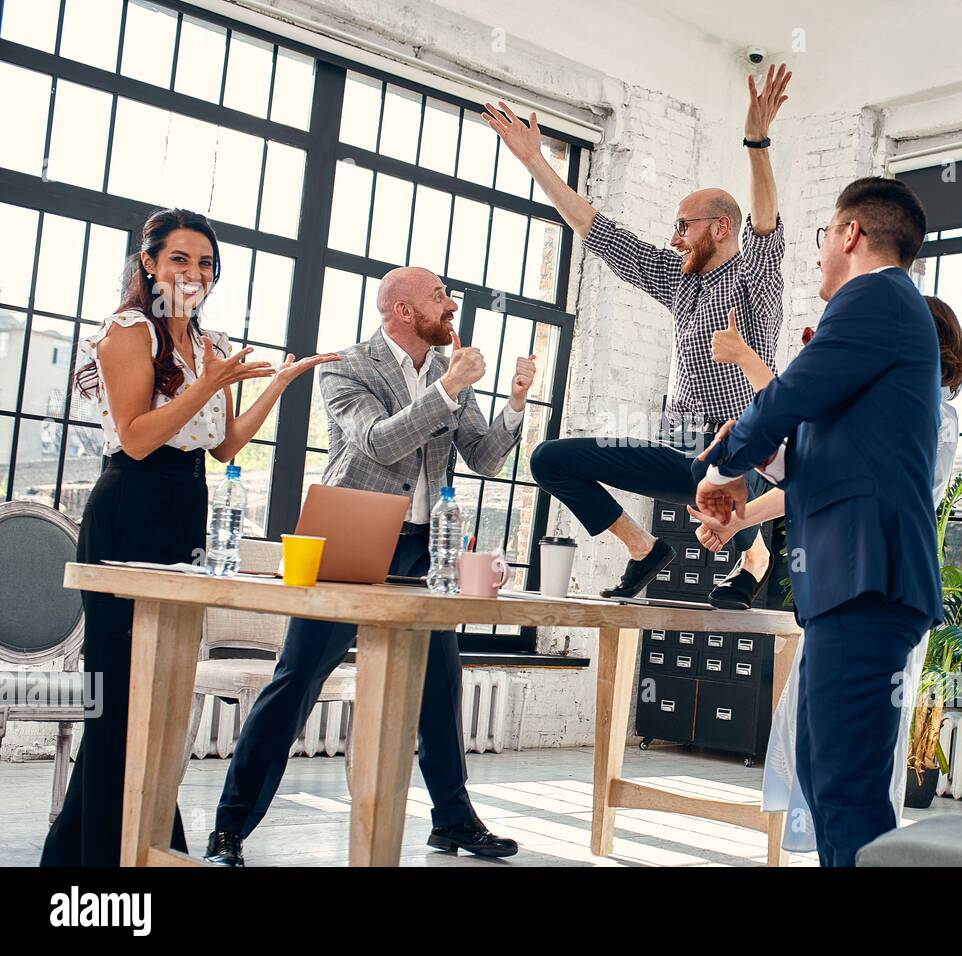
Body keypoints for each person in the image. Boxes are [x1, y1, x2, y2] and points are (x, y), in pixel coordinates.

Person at [203, 267, 535, 866]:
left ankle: (453, 822)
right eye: (439, 295)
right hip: (348, 534)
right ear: (402, 310)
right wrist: (449, 390)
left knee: (439, 684)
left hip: (421, 547)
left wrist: (512, 402)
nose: (450, 304)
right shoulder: (347, 365)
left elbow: (484, 457)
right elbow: (379, 444)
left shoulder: (442, 368)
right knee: (297, 679)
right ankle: (229, 827)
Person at [42, 208, 338, 867]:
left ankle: (97, 854)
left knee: (156, 694)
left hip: (186, 511)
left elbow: (227, 443)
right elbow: (139, 437)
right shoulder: (126, 332)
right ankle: (120, 855)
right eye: (180, 258)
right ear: (149, 263)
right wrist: (207, 384)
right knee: (118, 695)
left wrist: (278, 387)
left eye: (205, 262)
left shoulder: (209, 344)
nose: (194, 273)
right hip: (130, 510)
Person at [693, 177, 945, 866]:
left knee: (844, 787)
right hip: (858, 580)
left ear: (850, 234)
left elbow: (791, 396)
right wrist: (746, 483)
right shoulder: (890, 311)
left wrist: (719, 471)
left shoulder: (873, 297)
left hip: (866, 577)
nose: (816, 255)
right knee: (831, 775)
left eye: (822, 237)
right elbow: (819, 446)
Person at [481, 65, 793, 608]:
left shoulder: (753, 279)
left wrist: (757, 142)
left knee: (723, 472)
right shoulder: (678, 280)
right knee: (550, 460)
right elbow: (599, 233)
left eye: (684, 225)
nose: (673, 238)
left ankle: (755, 556)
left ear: (720, 228)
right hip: (682, 451)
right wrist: (534, 162)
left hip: (739, 454)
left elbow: (765, 225)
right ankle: (643, 547)